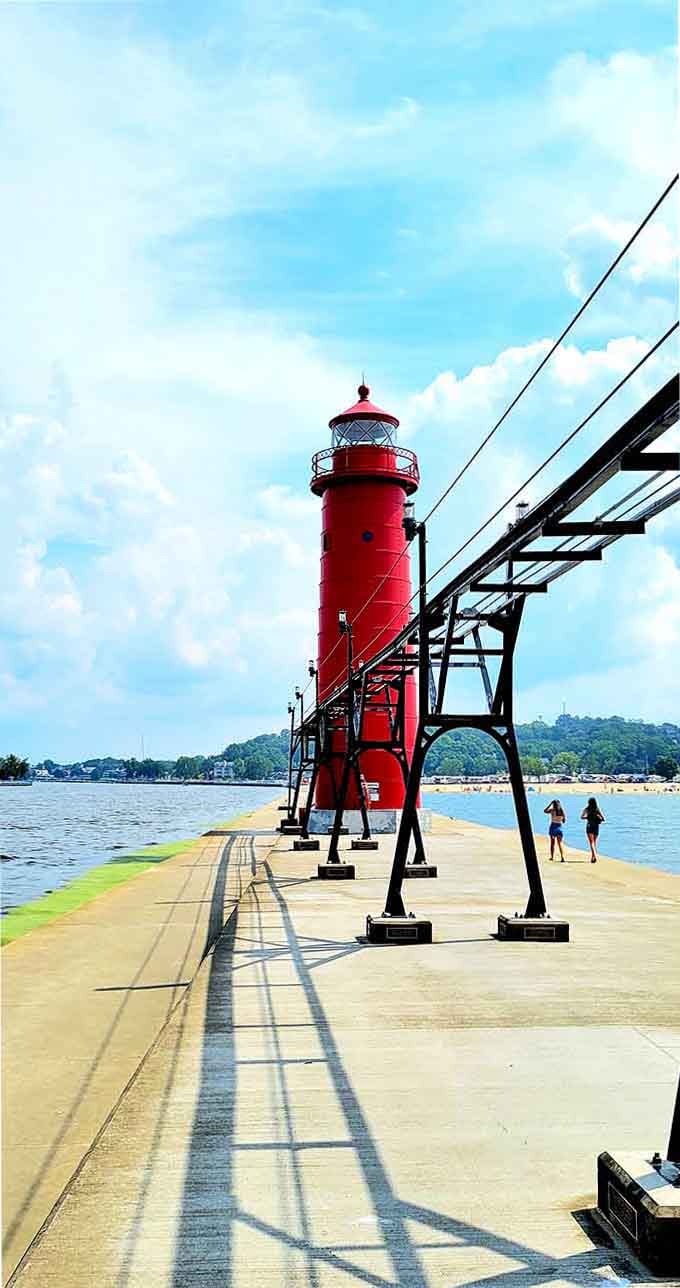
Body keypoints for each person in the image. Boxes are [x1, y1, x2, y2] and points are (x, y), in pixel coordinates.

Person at [581, 796, 605, 863]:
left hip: (589, 826)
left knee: (591, 843)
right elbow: (603, 819)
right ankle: (593, 857)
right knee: (594, 842)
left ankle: (594, 856)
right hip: (596, 826)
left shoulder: (587, 809)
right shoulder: (597, 809)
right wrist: (597, 817)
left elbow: (582, 817)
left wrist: (587, 817)